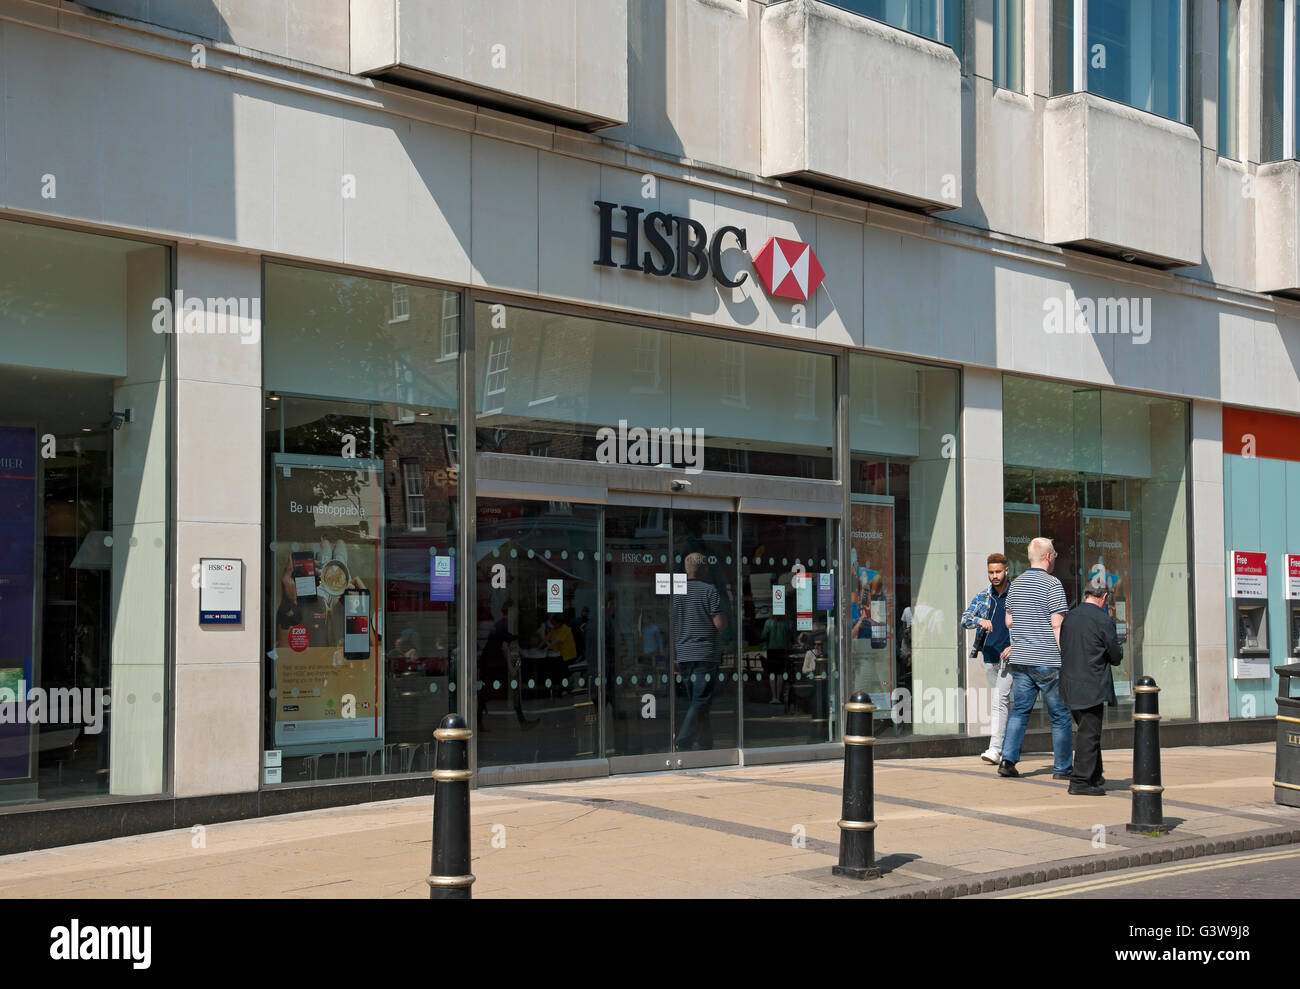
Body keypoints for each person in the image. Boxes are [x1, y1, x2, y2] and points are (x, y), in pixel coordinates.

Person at [997, 537, 1073, 780]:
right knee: (1059, 715)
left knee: (1019, 711)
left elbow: (1008, 620)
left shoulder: (1016, 584)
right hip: (1047, 658)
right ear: (1048, 557)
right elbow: (1057, 624)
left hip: (1021, 659)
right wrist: (1065, 656)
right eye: (1055, 556)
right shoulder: (1053, 585)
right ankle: (1062, 767)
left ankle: (1007, 760)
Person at [1059, 575, 1123, 796]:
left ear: (1087, 594)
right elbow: (1115, 656)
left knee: (1088, 729)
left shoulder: (1070, 617)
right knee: (1089, 733)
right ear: (1104, 597)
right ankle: (1079, 782)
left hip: (1069, 684)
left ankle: (1095, 775)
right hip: (1092, 685)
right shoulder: (1102, 619)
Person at [960, 553, 1013, 764]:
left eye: (998, 571)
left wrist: (1014, 646)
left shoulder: (1015, 594)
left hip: (1010, 657)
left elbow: (1027, 623)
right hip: (989, 656)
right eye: (991, 572)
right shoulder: (984, 596)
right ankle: (1008, 746)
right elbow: (965, 619)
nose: (994, 576)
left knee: (1000, 701)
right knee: (1001, 701)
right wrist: (980, 621)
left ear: (1006, 570)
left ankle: (995, 748)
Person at [672, 552, 726, 750]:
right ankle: (683, 741)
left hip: (684, 654)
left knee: (698, 702)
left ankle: (705, 743)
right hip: (705, 653)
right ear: (704, 568)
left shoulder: (677, 593)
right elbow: (719, 624)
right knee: (701, 700)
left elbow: (673, 624)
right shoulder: (709, 591)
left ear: (686, 569)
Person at [758, 608, 793, 705]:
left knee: (772, 673)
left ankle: (774, 697)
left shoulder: (769, 622)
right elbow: (793, 636)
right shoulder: (788, 623)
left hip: (772, 650)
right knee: (780, 673)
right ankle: (779, 696)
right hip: (783, 650)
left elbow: (763, 636)